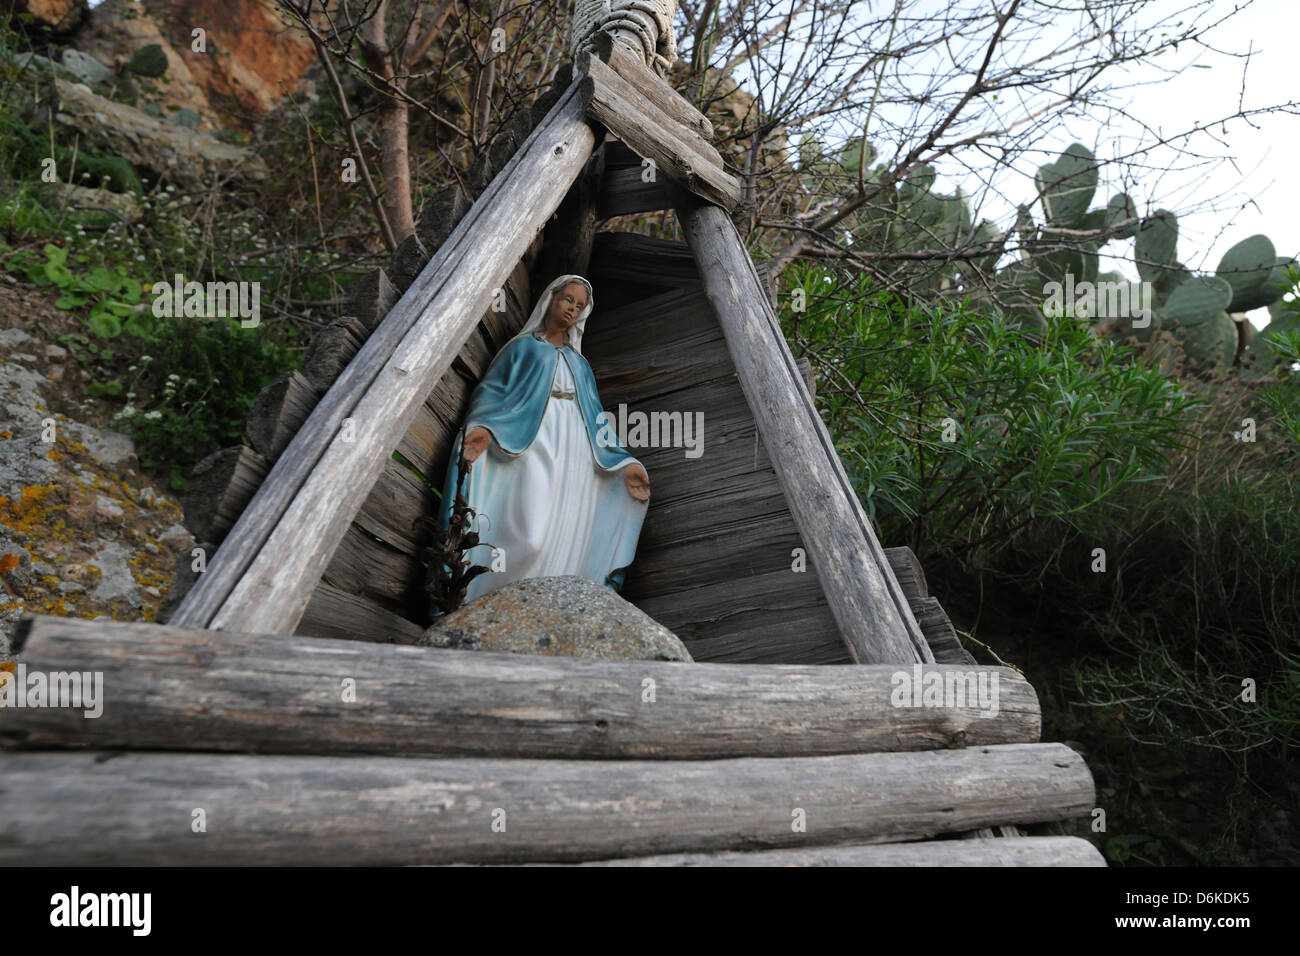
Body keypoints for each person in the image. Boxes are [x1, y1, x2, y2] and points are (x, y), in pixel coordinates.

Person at [434, 274, 650, 606]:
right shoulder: (522, 348)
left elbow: (596, 420)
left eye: (579, 306)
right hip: (531, 440)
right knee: (530, 533)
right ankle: (496, 601)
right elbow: (492, 392)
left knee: (564, 530)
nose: (572, 310)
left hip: (576, 448)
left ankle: (548, 604)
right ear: (550, 299)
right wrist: (483, 427)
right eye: (567, 300)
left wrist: (625, 464)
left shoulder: (580, 365)